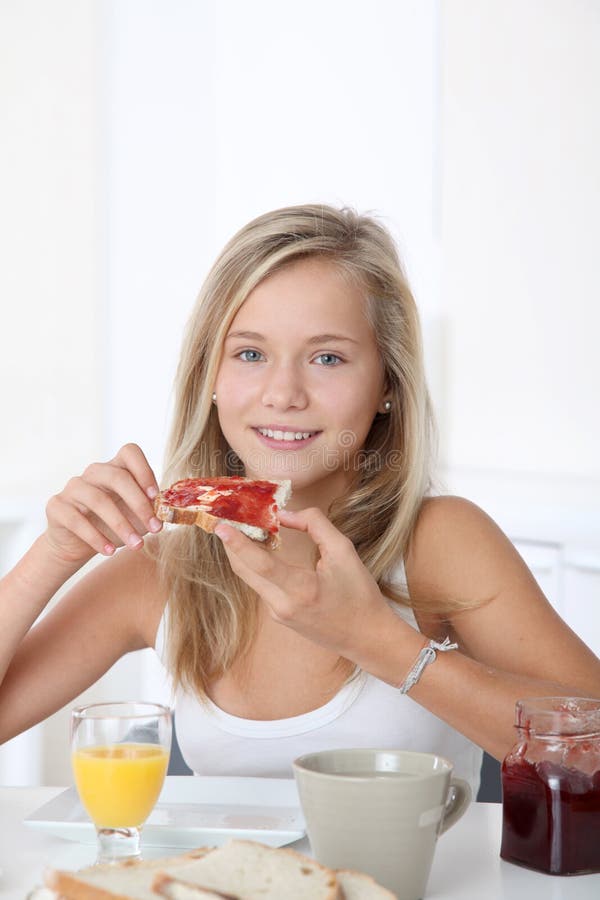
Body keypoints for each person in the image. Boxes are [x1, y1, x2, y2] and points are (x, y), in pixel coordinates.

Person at [1, 204, 598, 796]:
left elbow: (590, 754)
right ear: (210, 377)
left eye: (327, 358)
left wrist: (375, 639)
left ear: (387, 385)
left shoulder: (439, 541)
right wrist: (51, 556)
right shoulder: (163, 570)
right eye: (251, 354)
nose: (283, 394)